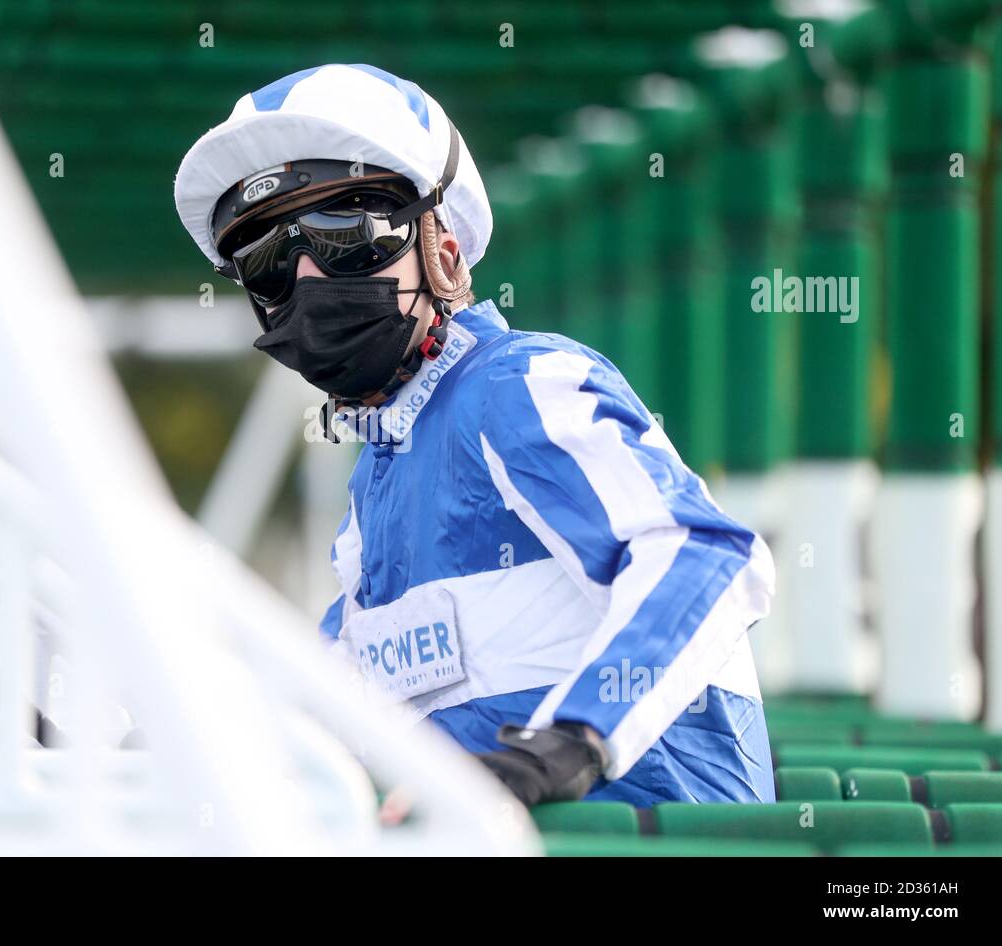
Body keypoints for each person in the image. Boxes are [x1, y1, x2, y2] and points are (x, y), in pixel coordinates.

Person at [174, 64, 776, 807]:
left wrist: (570, 741)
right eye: (264, 262)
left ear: (446, 254)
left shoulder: (517, 384)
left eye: (350, 233)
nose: (307, 279)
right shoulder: (376, 491)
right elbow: (313, 703)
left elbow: (704, 553)